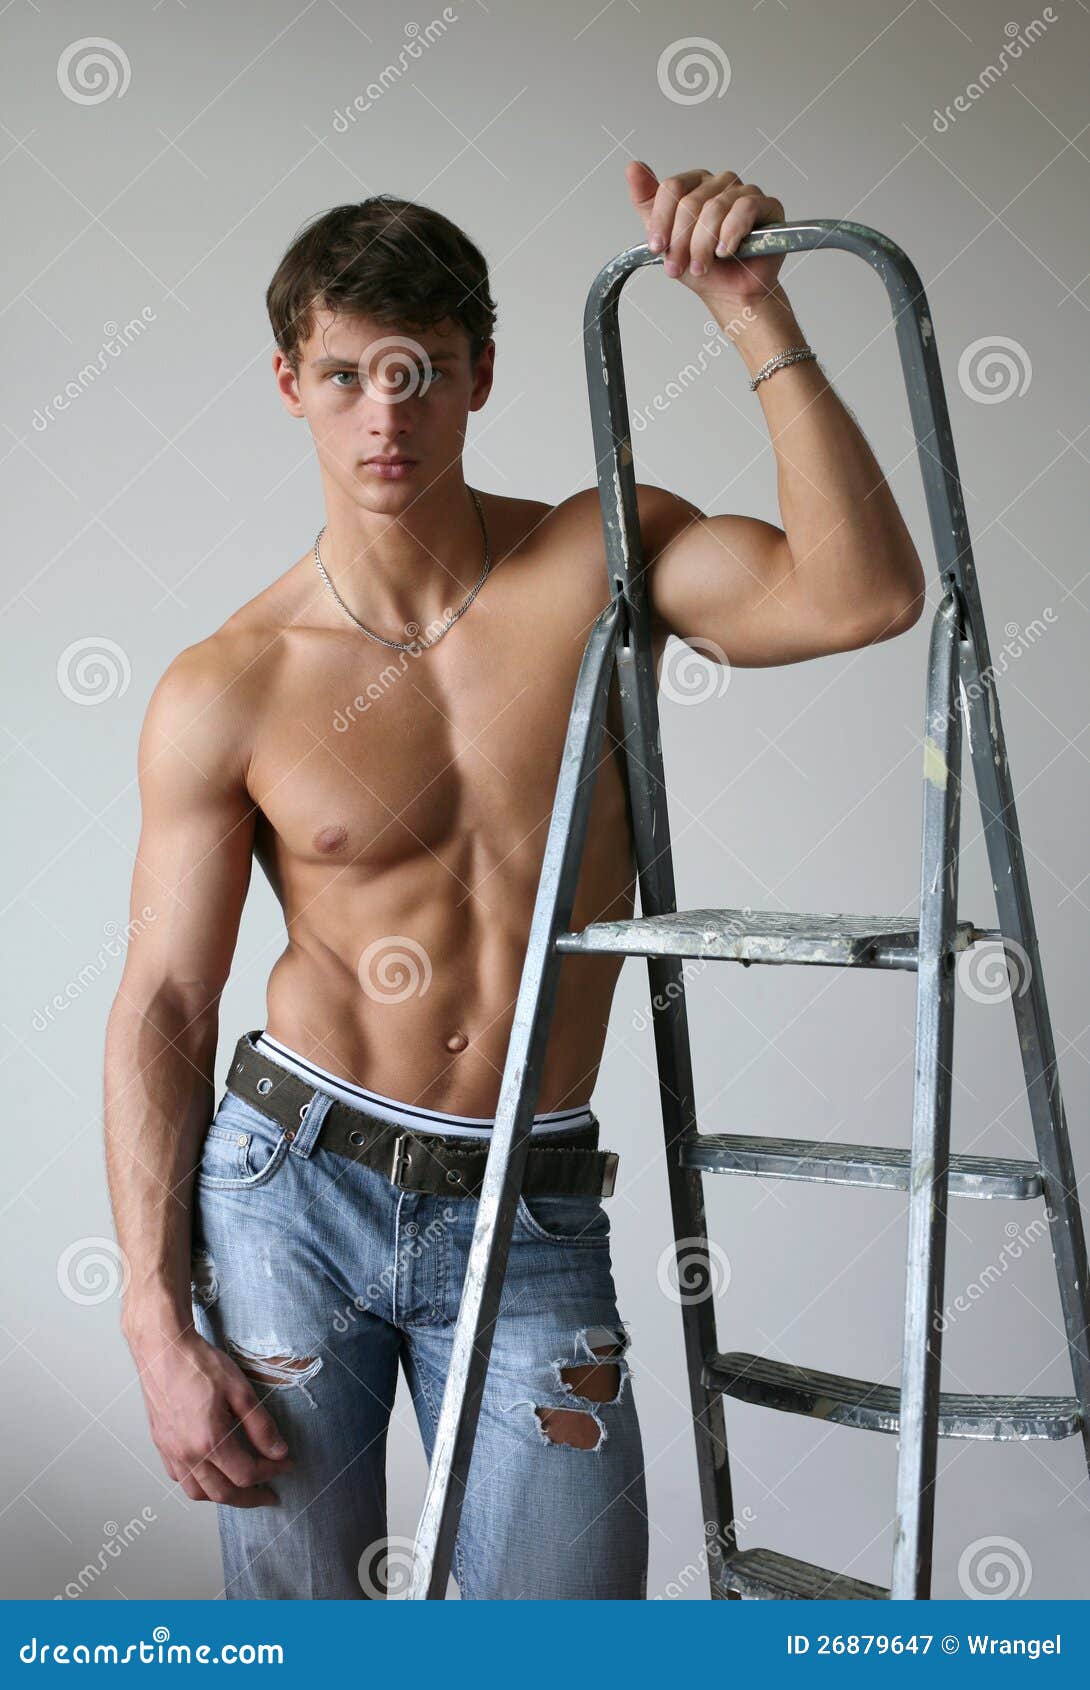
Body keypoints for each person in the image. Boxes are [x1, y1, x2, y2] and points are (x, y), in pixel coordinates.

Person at [103, 163, 925, 1600]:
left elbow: (863, 593)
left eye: (419, 371)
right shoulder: (229, 683)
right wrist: (153, 1318)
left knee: (560, 1635)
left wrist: (748, 311)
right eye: (347, 373)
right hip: (291, 1188)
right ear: (289, 383)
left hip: (531, 1193)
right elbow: (167, 1002)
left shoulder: (599, 557)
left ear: (481, 372)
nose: (385, 412)